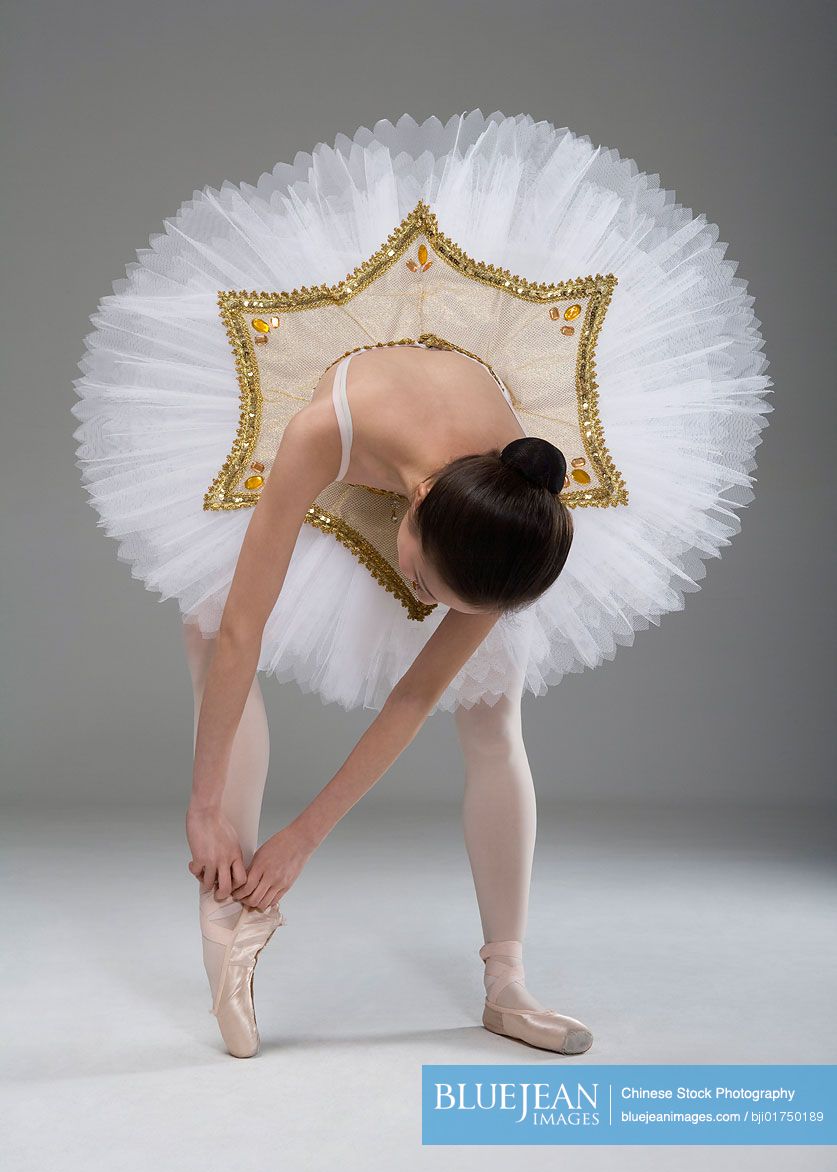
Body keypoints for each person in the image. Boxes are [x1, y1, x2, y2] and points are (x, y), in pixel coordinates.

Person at [72, 109, 773, 1059]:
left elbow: (412, 696)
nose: (431, 609)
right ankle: (227, 928)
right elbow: (248, 627)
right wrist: (200, 806)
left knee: (491, 711)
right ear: (412, 508)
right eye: (423, 585)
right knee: (209, 636)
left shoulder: (501, 523)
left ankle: (507, 977)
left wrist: (304, 839)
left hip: (462, 499)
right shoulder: (324, 432)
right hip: (343, 429)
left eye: (453, 602)